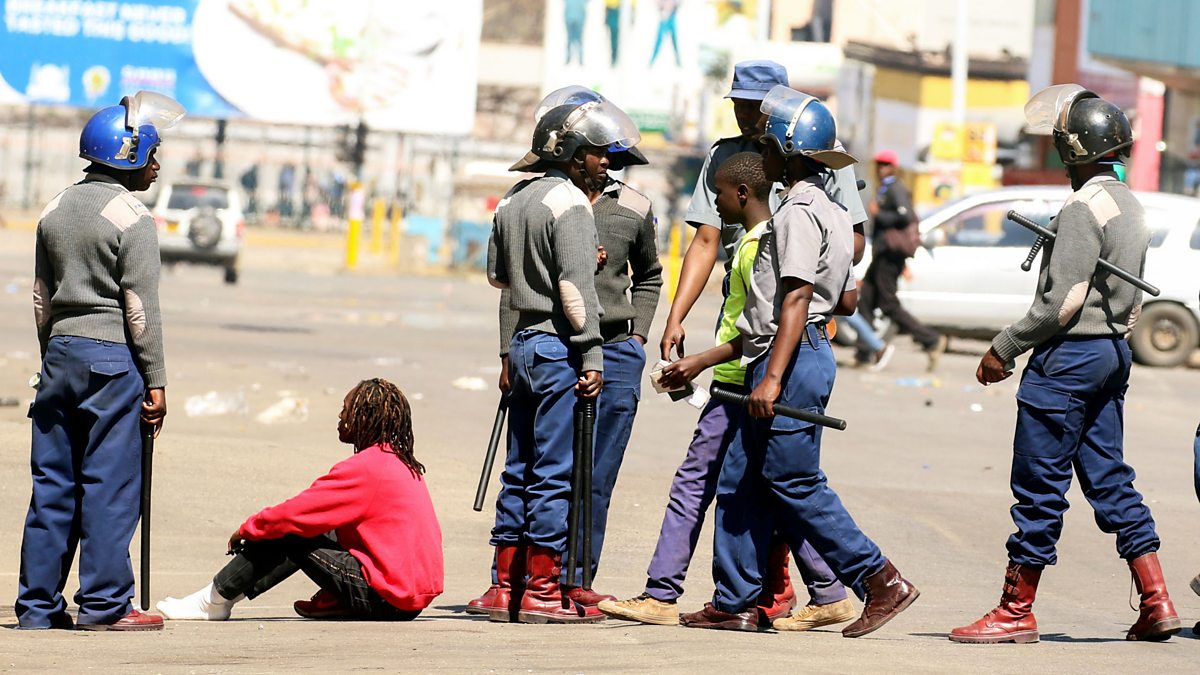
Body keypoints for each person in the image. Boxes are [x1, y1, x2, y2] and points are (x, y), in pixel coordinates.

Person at [679, 86, 919, 636]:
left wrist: (773, 377)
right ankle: (735, 598)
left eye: (767, 146)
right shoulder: (833, 211)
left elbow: (794, 300)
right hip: (795, 349)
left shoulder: (797, 214)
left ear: (787, 152)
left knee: (795, 480)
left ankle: (880, 579)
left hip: (792, 355)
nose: (759, 155)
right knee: (739, 477)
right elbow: (849, 297)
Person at [951, 84, 1182, 644]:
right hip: (1111, 355)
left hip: (1070, 358)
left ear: (1072, 149)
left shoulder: (1083, 206)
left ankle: (1015, 611)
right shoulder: (1130, 204)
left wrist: (1003, 347)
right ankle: (1156, 600)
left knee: (1038, 485)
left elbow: (1063, 301)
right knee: (1109, 478)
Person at [600, 152, 857, 630]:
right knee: (773, 488)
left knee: (703, 484)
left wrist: (701, 361)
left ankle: (666, 594)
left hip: (745, 380)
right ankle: (824, 590)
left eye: (718, 192)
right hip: (748, 376)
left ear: (741, 193)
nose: (713, 202)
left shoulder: (772, 237)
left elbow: (765, 326)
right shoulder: (806, 222)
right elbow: (844, 296)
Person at [467, 87, 663, 613]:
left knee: (587, 473)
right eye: (600, 154)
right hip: (559, 348)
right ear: (574, 154)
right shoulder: (556, 201)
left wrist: (636, 339)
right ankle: (537, 586)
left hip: (609, 347)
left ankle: (563, 580)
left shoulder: (632, 207)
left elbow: (648, 277)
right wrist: (509, 352)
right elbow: (539, 293)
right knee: (551, 469)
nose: (607, 165)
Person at [16, 91, 184, 631]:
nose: (157, 166)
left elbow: (41, 296)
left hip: (60, 357)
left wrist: (54, 359)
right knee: (109, 487)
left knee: (53, 486)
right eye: (151, 156)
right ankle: (107, 605)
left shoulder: (55, 208)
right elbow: (139, 310)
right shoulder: (132, 218)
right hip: (113, 364)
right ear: (128, 154)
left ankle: (38, 608)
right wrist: (155, 380)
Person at [156, 379, 443, 621]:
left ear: (365, 419)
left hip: (387, 599)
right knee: (326, 527)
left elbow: (296, 514)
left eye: (346, 411)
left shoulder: (367, 467)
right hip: (409, 601)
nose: (340, 418)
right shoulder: (402, 462)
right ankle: (331, 600)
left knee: (291, 531)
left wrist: (248, 528)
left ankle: (214, 600)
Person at [661, 60, 867, 370]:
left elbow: (854, 242)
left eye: (754, 106)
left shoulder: (820, 153)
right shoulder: (724, 155)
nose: (744, 115)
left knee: (778, 401)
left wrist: (799, 271)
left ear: (781, 105)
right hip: (742, 307)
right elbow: (705, 242)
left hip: (799, 310)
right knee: (731, 402)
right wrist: (676, 317)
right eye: (738, 105)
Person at [857, 149, 946, 370]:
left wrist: (879, 214)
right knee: (865, 300)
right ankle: (864, 353)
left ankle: (931, 339)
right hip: (883, 254)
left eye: (885, 165)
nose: (881, 169)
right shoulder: (886, 187)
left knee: (888, 303)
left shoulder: (895, 188)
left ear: (893, 167)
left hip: (889, 255)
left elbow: (905, 215)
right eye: (879, 164)